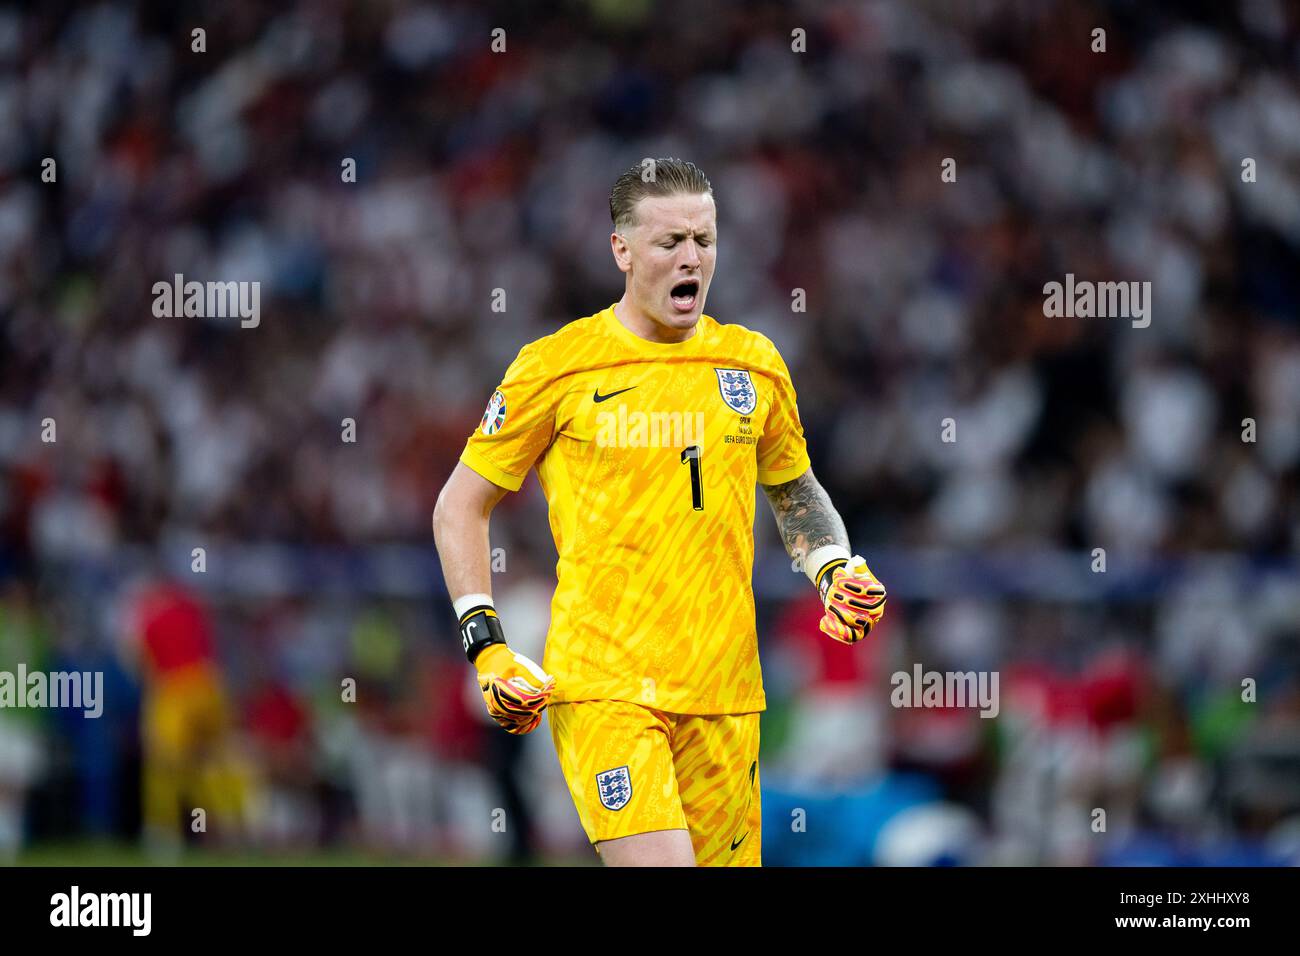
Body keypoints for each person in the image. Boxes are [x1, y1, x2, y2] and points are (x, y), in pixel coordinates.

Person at [433, 158, 887, 866]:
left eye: (704, 241)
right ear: (621, 250)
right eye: (669, 242)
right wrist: (485, 644)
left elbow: (794, 489)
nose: (691, 259)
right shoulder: (559, 366)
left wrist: (832, 566)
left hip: (725, 693)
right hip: (605, 685)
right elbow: (461, 503)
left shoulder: (755, 364)